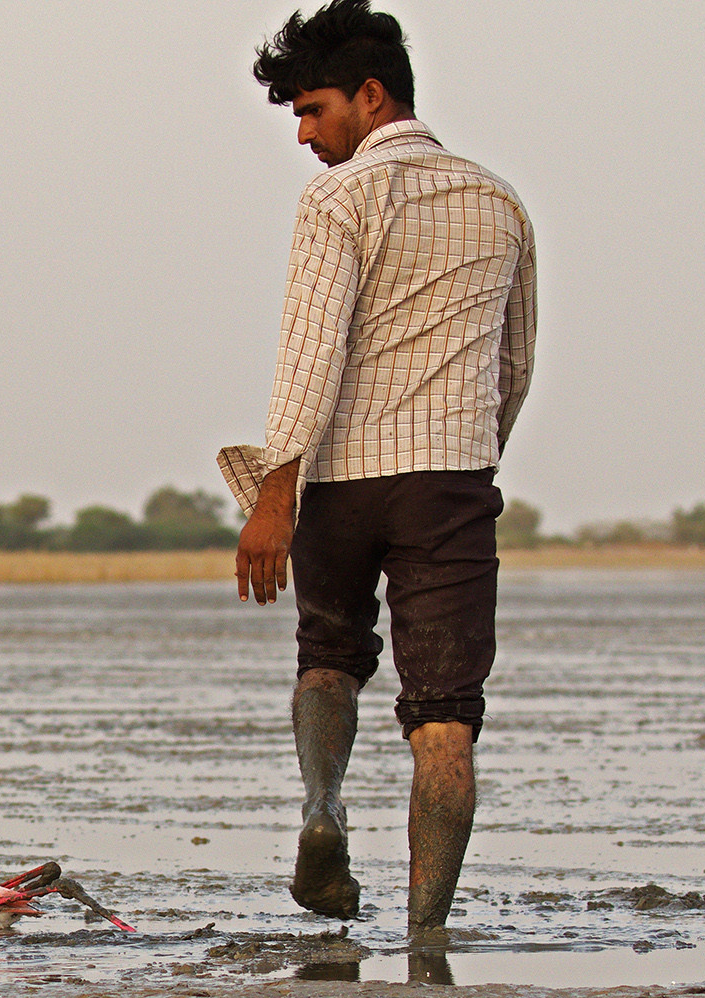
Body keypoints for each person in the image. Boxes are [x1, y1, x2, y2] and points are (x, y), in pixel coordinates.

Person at [223, 0, 536, 933]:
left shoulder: (339, 198)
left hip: (341, 482)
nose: (308, 135)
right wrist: (475, 460)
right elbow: (514, 366)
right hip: (449, 482)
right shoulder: (500, 200)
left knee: (328, 659)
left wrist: (274, 497)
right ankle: (428, 933)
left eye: (315, 110)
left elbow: (309, 353)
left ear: (371, 95)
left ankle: (323, 811)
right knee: (446, 720)